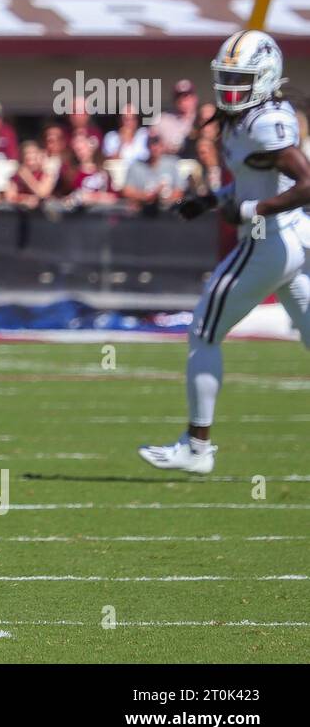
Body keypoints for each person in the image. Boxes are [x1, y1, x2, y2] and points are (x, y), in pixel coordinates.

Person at [142, 30, 310, 473]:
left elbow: (307, 183)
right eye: (228, 77)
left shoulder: (264, 121)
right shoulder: (247, 116)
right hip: (287, 239)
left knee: (203, 332)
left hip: (269, 240)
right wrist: (212, 199)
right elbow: (250, 180)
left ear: (266, 76)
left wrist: (255, 208)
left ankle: (197, 447)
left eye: (241, 77)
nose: (231, 87)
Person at [121, 132, 184, 211]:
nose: (154, 148)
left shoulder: (172, 163)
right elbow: (127, 191)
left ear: (162, 146)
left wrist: (163, 198)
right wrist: (146, 196)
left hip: (168, 211)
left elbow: (180, 190)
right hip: (142, 209)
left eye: (157, 144)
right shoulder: (136, 166)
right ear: (147, 146)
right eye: (151, 144)